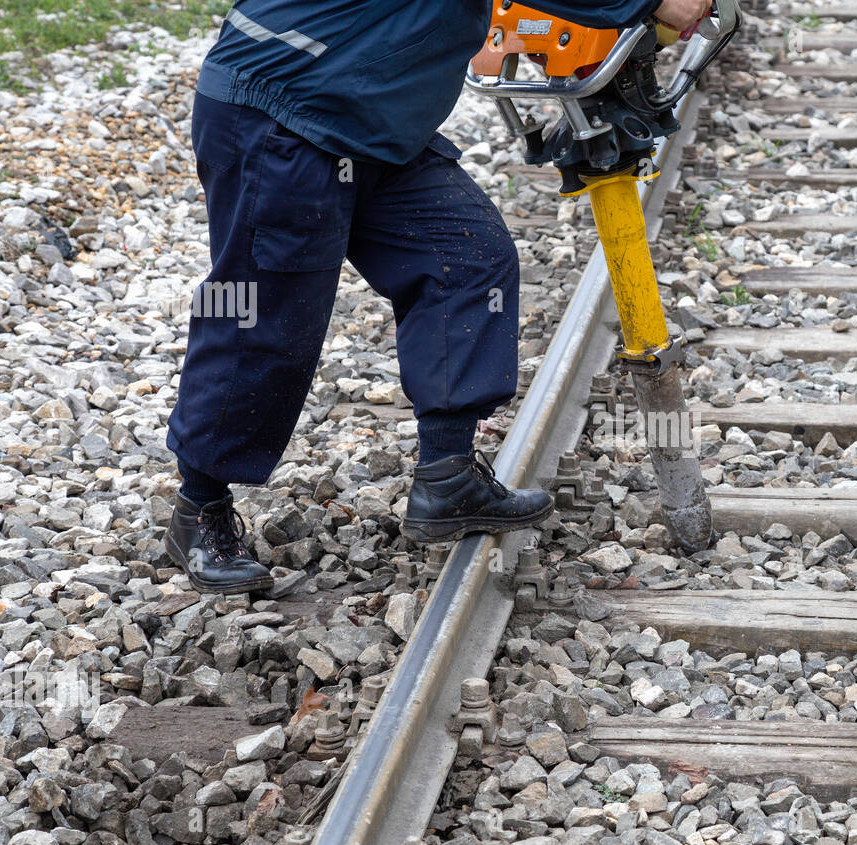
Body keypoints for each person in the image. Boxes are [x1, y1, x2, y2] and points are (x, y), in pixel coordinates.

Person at [163, 0, 712, 593]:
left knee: (466, 256)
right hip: (284, 107)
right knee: (262, 317)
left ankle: (447, 477)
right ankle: (199, 511)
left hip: (371, 117)